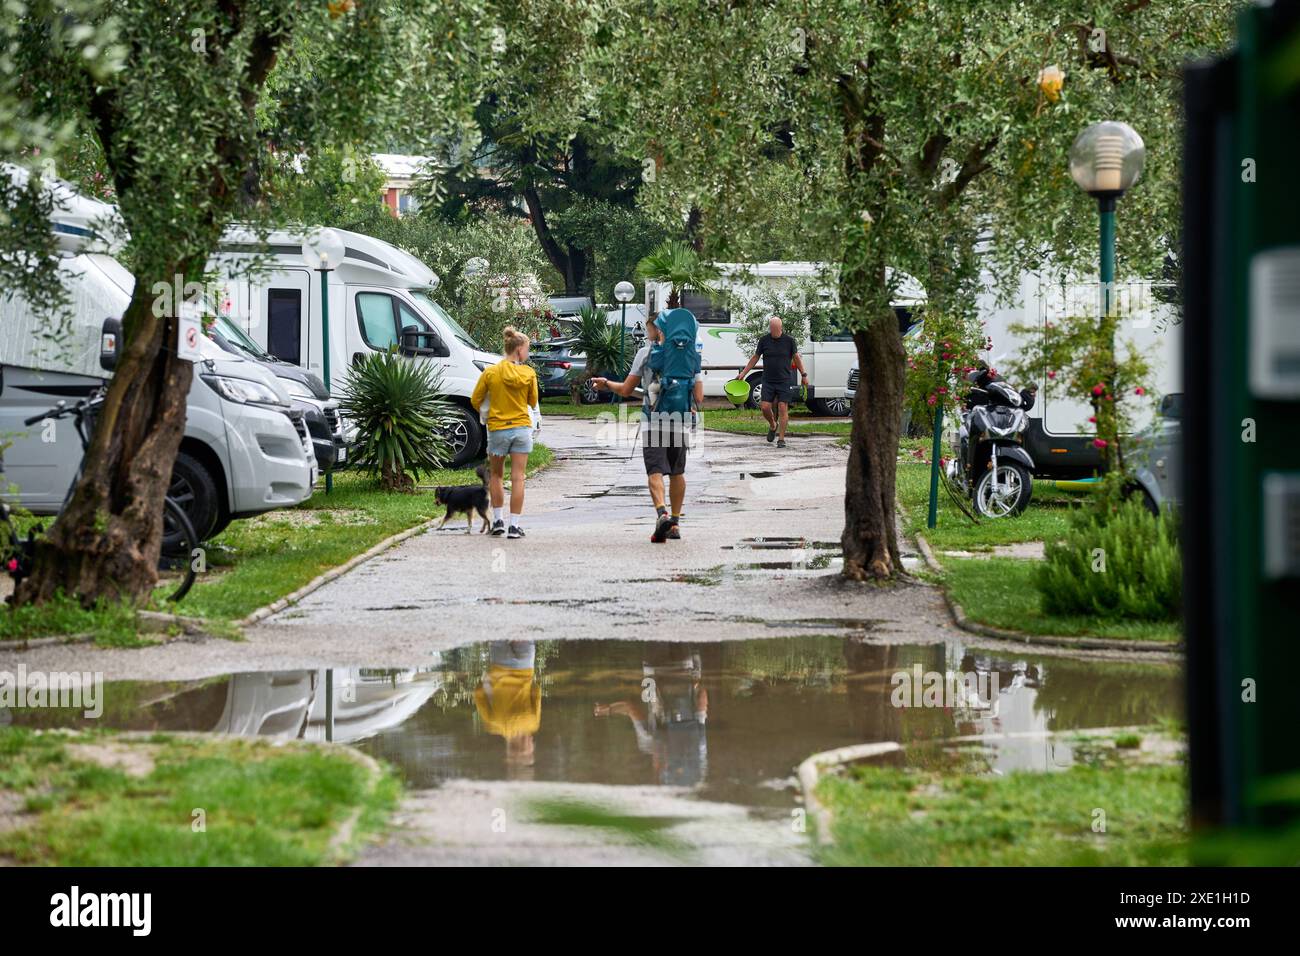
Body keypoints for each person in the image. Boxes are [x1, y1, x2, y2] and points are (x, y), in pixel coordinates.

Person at [591, 313, 704, 543]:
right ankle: (674, 523)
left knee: (655, 470)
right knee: (677, 472)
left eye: (651, 328)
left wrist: (606, 384)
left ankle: (662, 513)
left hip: (653, 421)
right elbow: (699, 396)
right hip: (680, 419)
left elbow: (625, 390)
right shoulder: (692, 356)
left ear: (659, 331)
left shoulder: (646, 353)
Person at [470, 326, 539, 539]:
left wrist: (488, 413)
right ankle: (514, 526)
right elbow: (533, 401)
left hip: (498, 430)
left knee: (497, 476)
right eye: (526, 349)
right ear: (518, 350)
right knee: (518, 477)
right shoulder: (528, 373)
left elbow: (475, 399)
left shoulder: (490, 372)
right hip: (521, 429)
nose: (527, 354)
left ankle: (498, 521)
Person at [736, 316, 808, 448]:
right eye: (771, 328)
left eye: (776, 328)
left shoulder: (789, 341)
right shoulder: (764, 340)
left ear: (780, 328)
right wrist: (743, 373)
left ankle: (781, 439)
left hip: (784, 380)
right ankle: (773, 424)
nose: (773, 331)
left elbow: (796, 358)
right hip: (768, 380)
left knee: (782, 407)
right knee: (764, 407)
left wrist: (804, 374)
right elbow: (755, 357)